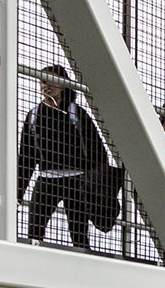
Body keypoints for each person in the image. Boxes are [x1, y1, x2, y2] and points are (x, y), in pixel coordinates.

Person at [15, 65, 108, 248]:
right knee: (34, 231)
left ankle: (83, 267)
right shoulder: (34, 116)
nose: (46, 86)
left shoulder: (76, 113)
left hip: (77, 180)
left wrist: (97, 186)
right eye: (42, 81)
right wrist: (17, 195)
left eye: (51, 81)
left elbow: (98, 151)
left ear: (63, 85)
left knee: (79, 234)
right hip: (47, 179)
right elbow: (26, 159)